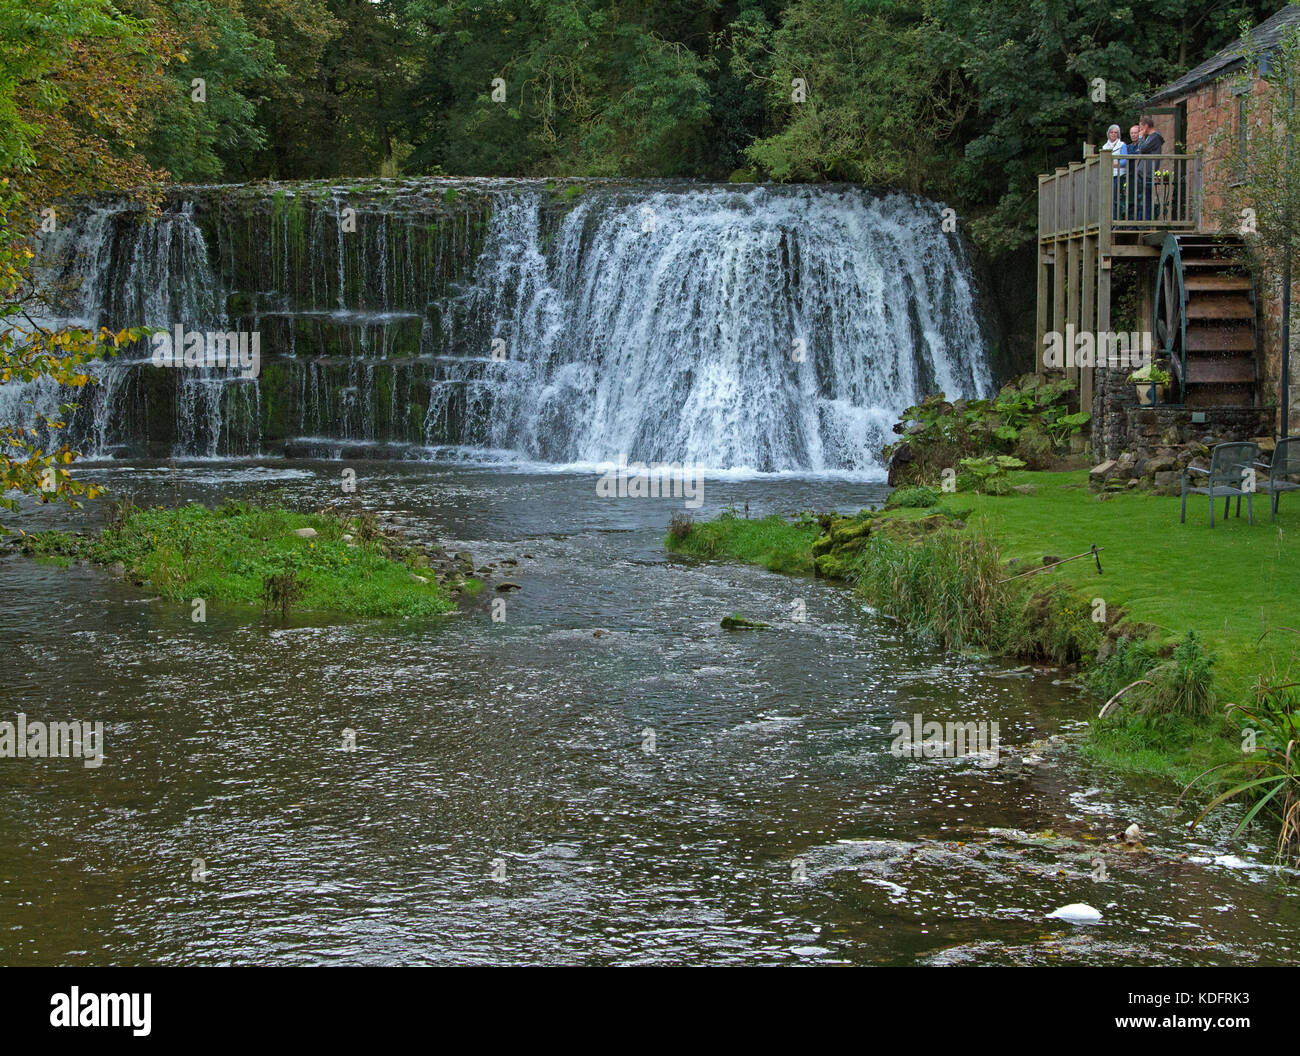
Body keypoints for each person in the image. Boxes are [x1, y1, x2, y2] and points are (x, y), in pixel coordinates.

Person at [1133, 116, 1165, 221]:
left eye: (1141, 128)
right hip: (1144, 172)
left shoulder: (1154, 137)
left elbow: (1142, 149)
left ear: (1146, 126)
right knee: (1142, 198)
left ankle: (1144, 221)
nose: (1141, 131)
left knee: (1145, 198)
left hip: (1147, 172)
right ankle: (1141, 220)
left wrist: (1141, 138)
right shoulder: (1151, 137)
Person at [1100, 125, 1126, 218]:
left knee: (1115, 198)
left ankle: (1116, 219)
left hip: (1118, 175)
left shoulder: (1122, 145)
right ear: (1108, 133)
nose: (1114, 134)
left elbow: (1124, 161)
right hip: (1107, 175)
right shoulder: (1105, 146)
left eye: (1116, 132)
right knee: (1107, 198)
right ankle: (1108, 218)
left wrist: (1113, 164)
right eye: (1112, 132)